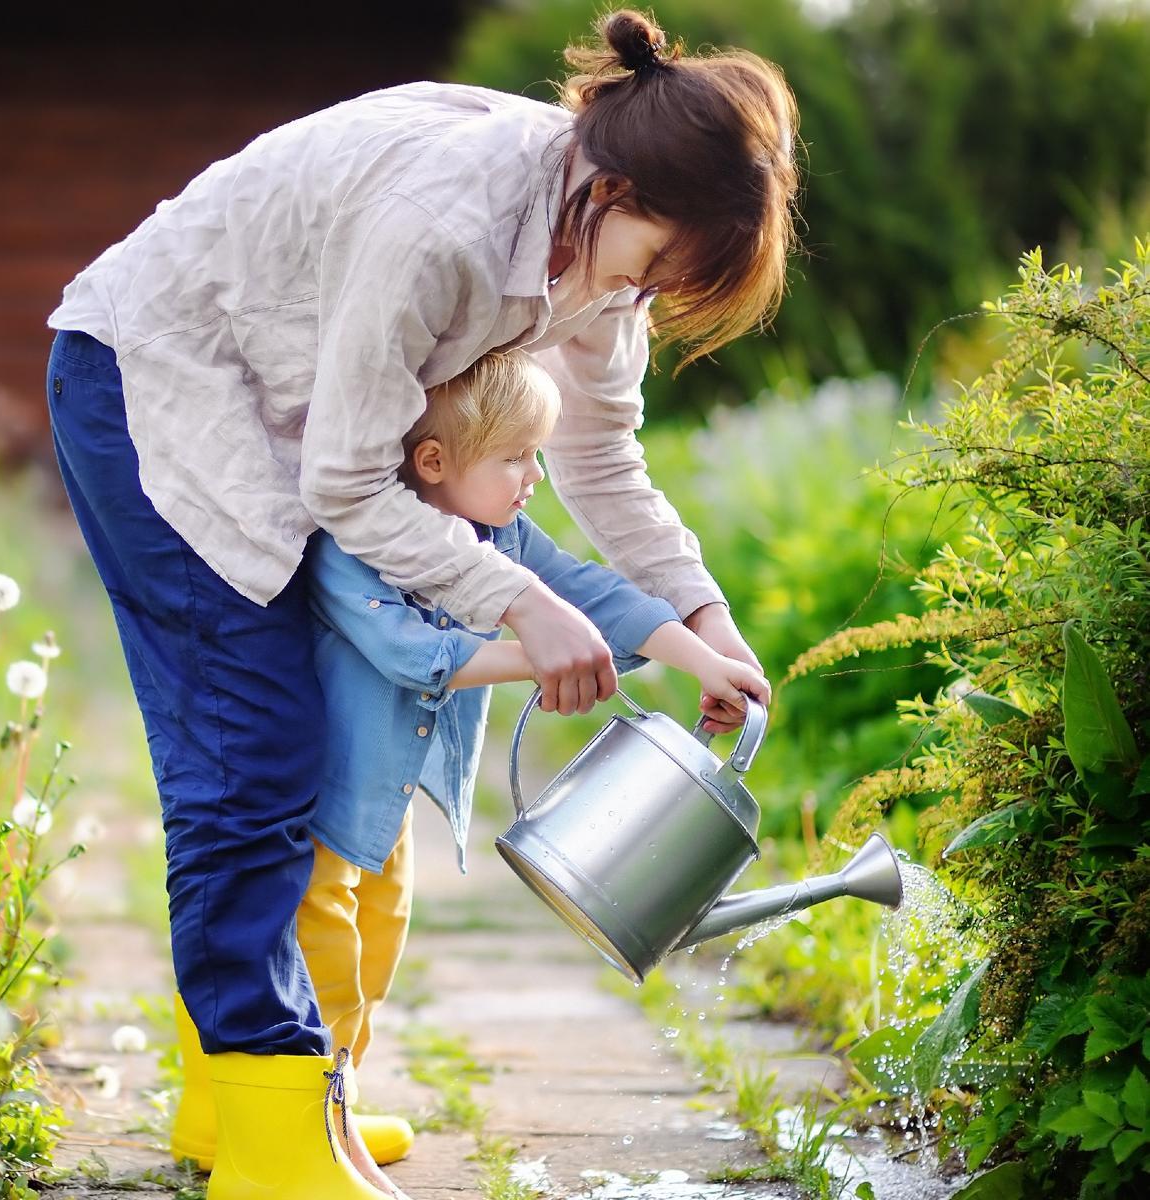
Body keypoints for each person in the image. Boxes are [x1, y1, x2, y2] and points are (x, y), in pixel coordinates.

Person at [44, 9, 799, 1196]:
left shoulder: (600, 258)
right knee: (254, 752)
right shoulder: (448, 221)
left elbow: (603, 467)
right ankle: (270, 1128)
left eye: (669, 283)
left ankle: (231, 1108)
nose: (642, 297)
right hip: (157, 384)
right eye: (652, 263)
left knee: (286, 753)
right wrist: (517, 605)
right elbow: (348, 476)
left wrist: (699, 620)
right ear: (610, 186)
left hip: (291, 420)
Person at [295, 351, 769, 1196]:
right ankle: (311, 1123)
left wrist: (702, 658)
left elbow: (591, 593)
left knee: (379, 940)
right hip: (321, 788)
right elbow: (411, 654)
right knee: (323, 946)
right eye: (515, 456)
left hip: (391, 793)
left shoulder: (502, 538)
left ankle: (341, 1090)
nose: (535, 476)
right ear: (433, 463)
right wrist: (538, 655)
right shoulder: (352, 543)